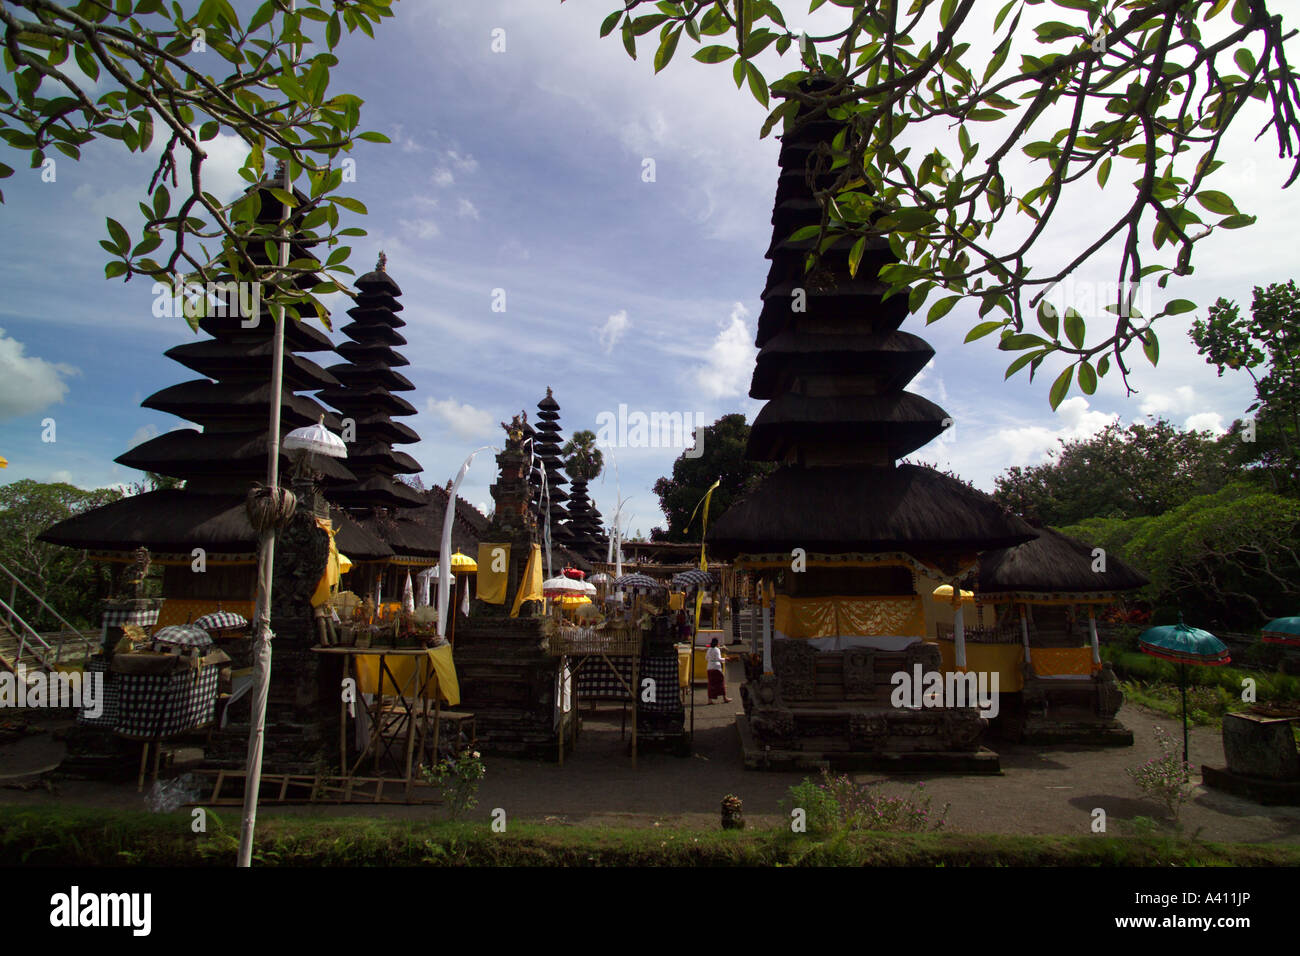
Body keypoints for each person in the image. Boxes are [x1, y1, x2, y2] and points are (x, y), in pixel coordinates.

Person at [705, 637, 732, 704]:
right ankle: (725, 698)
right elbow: (718, 659)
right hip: (716, 668)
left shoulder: (709, 649)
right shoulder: (717, 650)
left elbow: (706, 658)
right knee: (721, 683)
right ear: (717, 644)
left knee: (711, 684)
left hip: (709, 668)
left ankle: (709, 700)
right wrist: (725, 659)